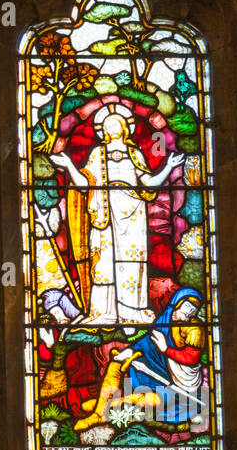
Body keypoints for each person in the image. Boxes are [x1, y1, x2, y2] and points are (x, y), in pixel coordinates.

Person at [50, 106, 184, 325]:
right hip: (104, 210)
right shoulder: (97, 154)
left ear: (124, 128)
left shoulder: (134, 153)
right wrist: (69, 167)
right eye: (107, 125)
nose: (111, 127)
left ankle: (133, 312)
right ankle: (104, 313)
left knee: (133, 260)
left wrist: (168, 166)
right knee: (103, 261)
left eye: (115, 123)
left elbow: (149, 183)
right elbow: (85, 185)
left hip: (133, 212)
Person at [126, 287, 206, 428]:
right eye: (187, 306)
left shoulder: (195, 328)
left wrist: (166, 350)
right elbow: (149, 342)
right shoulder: (165, 321)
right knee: (139, 366)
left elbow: (191, 358)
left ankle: (180, 409)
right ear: (177, 303)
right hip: (163, 369)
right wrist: (131, 351)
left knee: (182, 399)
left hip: (185, 377)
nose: (189, 312)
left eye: (193, 309)